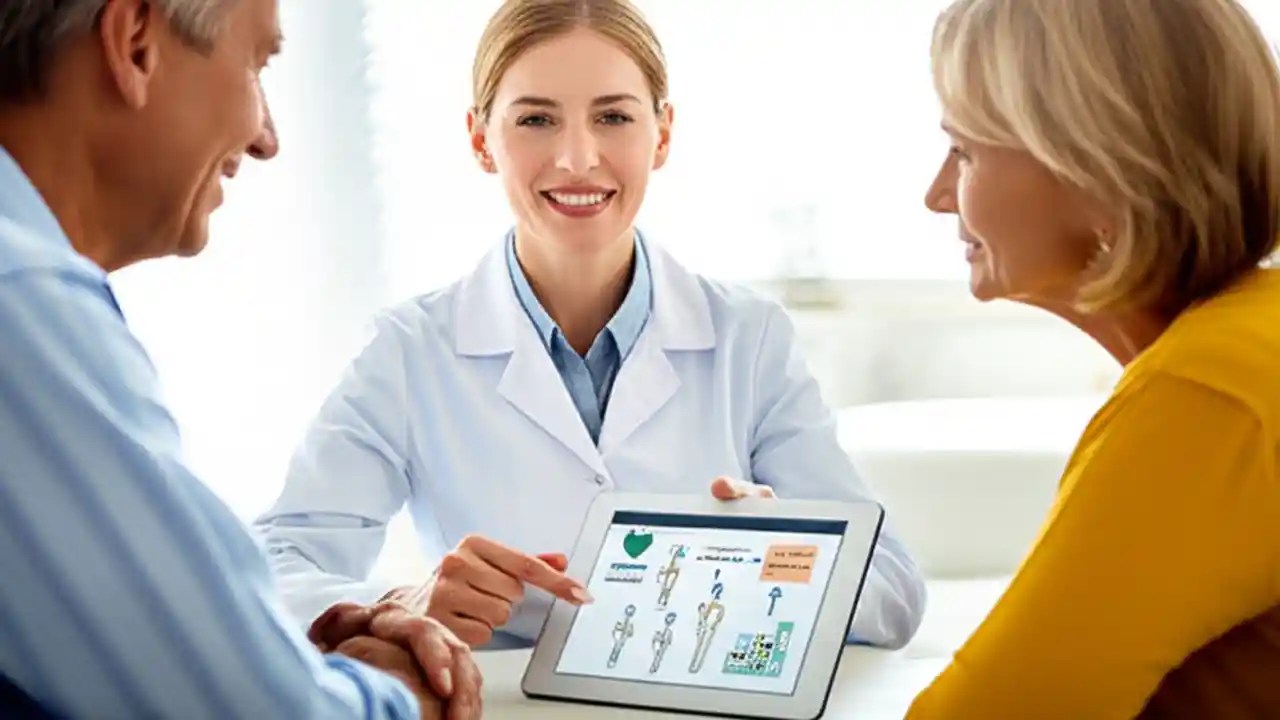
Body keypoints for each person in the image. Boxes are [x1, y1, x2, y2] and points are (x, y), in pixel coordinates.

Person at [256, 0, 925, 653]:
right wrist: (395, 608)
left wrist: (767, 561)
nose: (577, 158)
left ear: (661, 134)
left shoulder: (749, 340)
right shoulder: (409, 350)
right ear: (479, 139)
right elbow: (273, 566)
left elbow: (891, 587)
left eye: (613, 117)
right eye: (536, 119)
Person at [0, 1, 481, 717]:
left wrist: (291, 654)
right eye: (256, 64)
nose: (266, 137)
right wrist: (403, 694)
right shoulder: (25, 305)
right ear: (134, 44)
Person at [909, 0, 1280, 716]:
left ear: (1097, 167)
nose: (936, 195)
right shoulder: (1249, 339)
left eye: (966, 150)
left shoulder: (1203, 393)